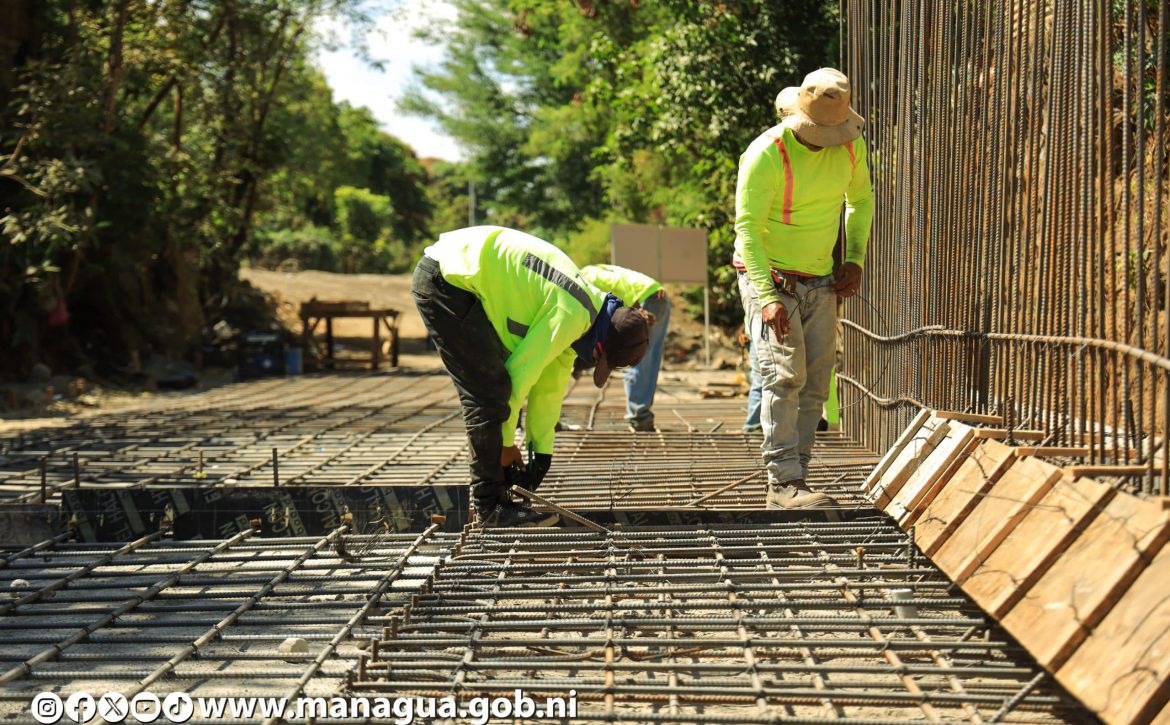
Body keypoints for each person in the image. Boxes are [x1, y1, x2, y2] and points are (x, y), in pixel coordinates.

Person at [413, 226, 653, 527]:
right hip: (447, 280)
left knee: (495, 390)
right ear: (600, 346)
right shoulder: (571, 314)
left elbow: (550, 386)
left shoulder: (587, 312)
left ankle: (495, 498)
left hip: (459, 277)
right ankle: (489, 507)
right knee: (488, 394)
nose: (591, 364)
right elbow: (520, 376)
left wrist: (542, 451)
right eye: (598, 361)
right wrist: (506, 444)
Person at [734, 68, 874, 509]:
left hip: (820, 277)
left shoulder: (851, 145)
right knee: (782, 375)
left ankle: (799, 475)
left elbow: (861, 201)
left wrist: (854, 258)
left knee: (816, 381)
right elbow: (749, 231)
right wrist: (767, 297)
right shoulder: (766, 154)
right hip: (769, 274)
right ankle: (781, 482)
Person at [579, 265, 669, 432]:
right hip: (658, 295)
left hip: (646, 299)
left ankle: (639, 417)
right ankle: (642, 415)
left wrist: (637, 311)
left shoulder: (585, 278)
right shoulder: (594, 271)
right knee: (649, 360)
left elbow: (617, 290)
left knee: (631, 355)